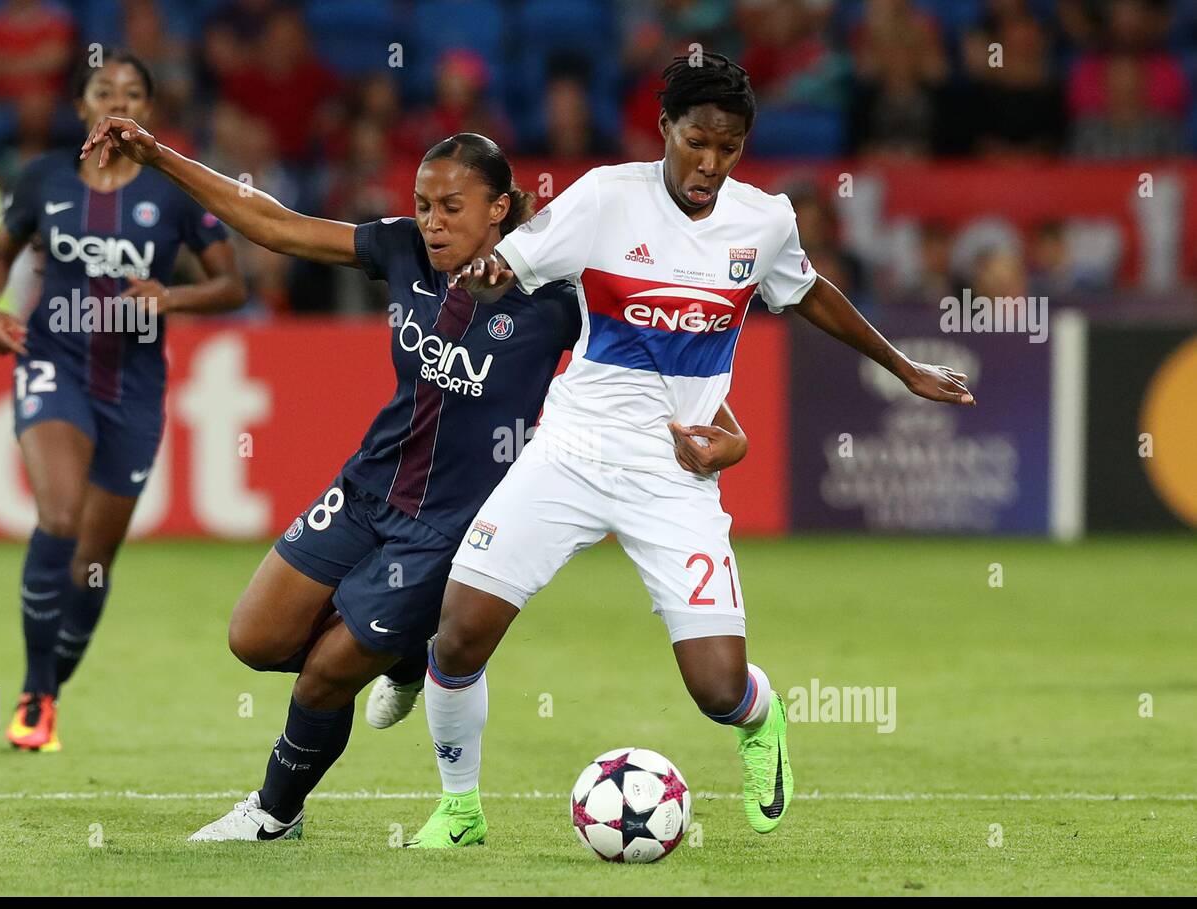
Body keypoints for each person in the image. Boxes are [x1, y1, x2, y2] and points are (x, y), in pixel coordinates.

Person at [78, 120, 751, 841]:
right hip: (369, 485)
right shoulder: (400, 249)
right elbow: (277, 226)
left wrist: (729, 432)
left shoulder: (559, 292)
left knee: (325, 677)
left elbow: (653, 361)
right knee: (255, 639)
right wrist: (158, 155)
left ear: (500, 209)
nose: (431, 222)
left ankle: (274, 814)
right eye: (423, 203)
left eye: (451, 207)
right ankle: (403, 651)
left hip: (450, 529)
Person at [406, 53, 974, 849]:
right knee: (458, 635)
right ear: (664, 129)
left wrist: (903, 365)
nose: (710, 163)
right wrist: (487, 270)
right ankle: (459, 810)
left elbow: (807, 291)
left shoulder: (764, 221)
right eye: (697, 141)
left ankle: (762, 714)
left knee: (716, 688)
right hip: (569, 449)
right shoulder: (606, 199)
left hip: (674, 473)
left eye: (730, 147)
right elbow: (515, 264)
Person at [0, 53, 245, 752]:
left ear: (148, 113)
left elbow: (231, 286)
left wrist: (171, 296)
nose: (116, 100)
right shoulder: (43, 178)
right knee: (60, 517)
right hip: (52, 362)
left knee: (95, 559)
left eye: (132, 92)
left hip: (133, 384)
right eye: (104, 90)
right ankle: (36, 694)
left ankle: (50, 688)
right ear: (81, 106)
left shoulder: (174, 192)